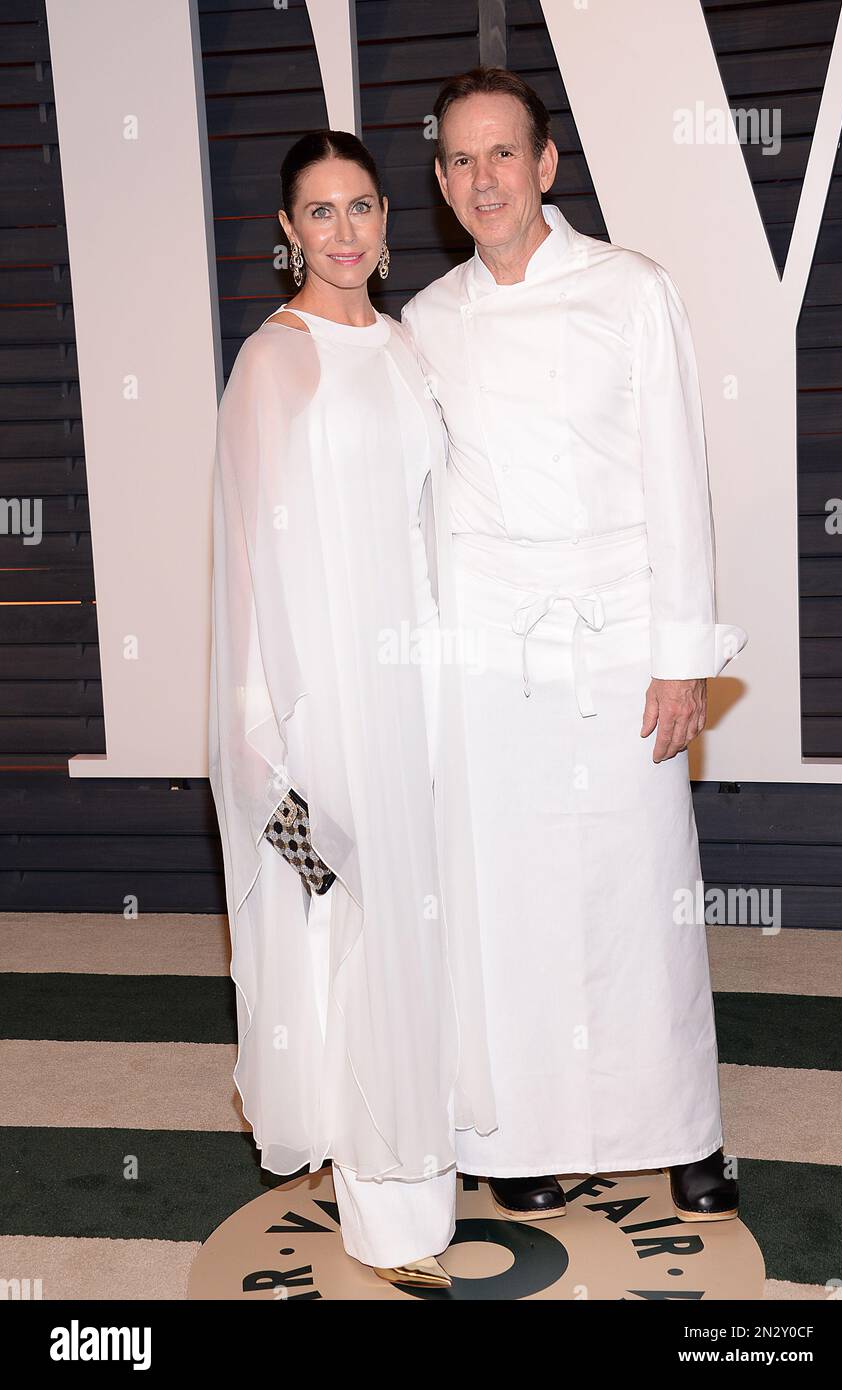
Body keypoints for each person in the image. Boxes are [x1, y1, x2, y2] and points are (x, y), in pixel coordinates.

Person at [401, 67, 749, 1223]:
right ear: (442, 182)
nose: (480, 177)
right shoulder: (428, 321)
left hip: (617, 644)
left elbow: (675, 477)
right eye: (458, 159)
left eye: (501, 153)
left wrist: (681, 652)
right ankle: (521, 1136)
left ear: (545, 165)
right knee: (510, 906)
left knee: (640, 891)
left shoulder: (629, 290)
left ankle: (685, 1132)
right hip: (488, 650)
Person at [208, 130, 497, 1287]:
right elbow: (243, 562)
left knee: (418, 927)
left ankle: (421, 1162)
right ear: (286, 233)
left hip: (418, 676)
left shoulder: (406, 346)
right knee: (349, 922)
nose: (343, 232)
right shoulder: (271, 364)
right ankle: (384, 1215)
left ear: (388, 217)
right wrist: (261, 731)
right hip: (319, 692)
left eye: (361, 207)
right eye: (317, 213)